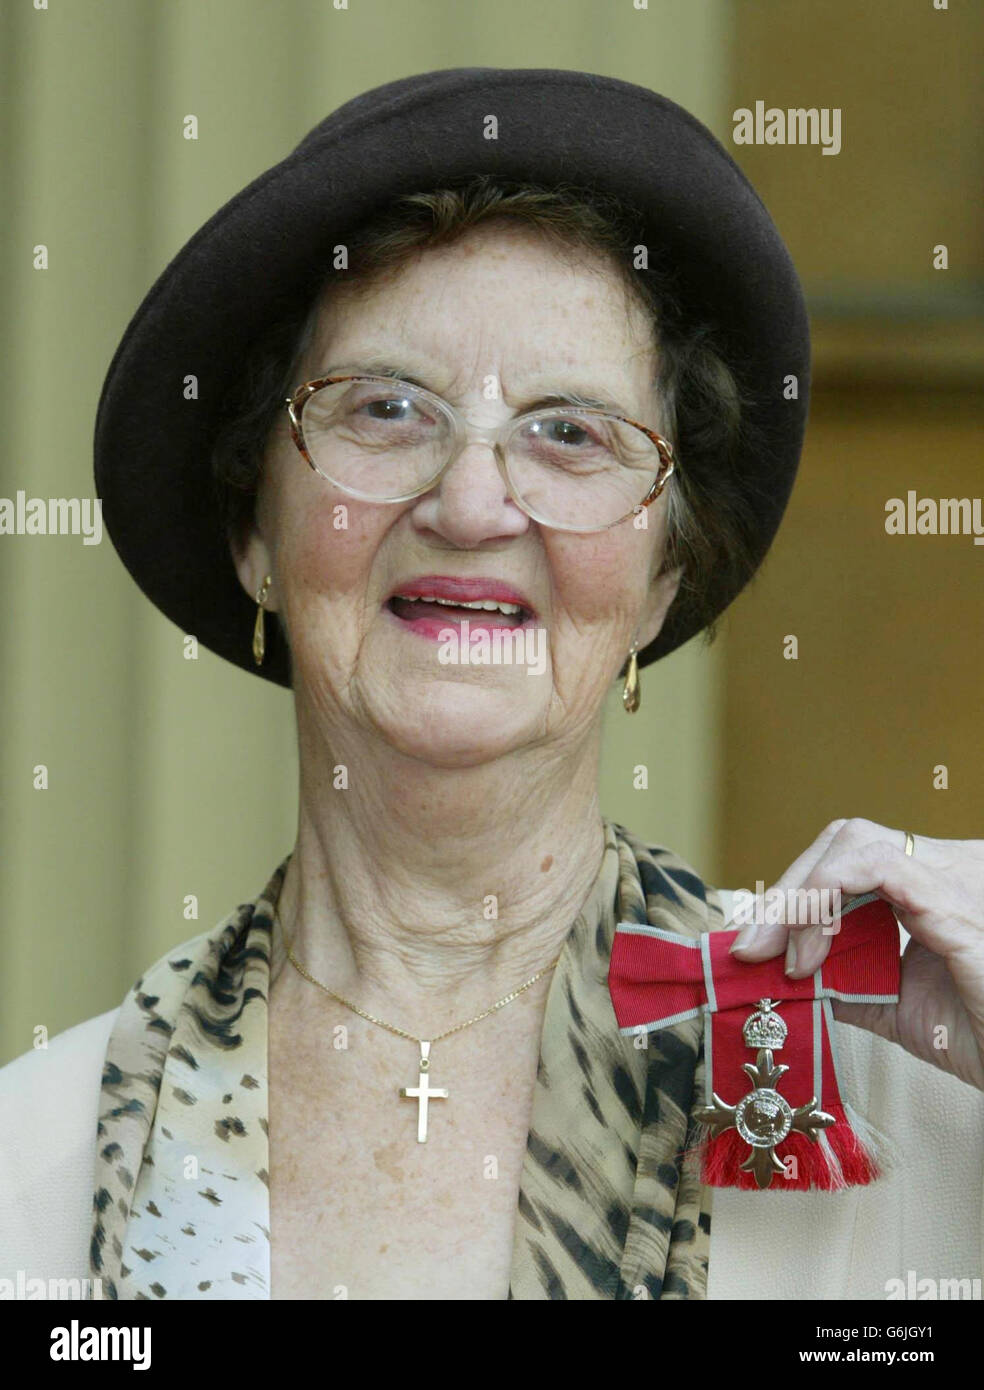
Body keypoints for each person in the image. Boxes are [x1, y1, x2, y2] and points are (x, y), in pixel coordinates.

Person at [1, 67, 982, 1302]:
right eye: (386, 408)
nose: (471, 503)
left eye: (570, 431)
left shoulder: (896, 1097)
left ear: (665, 572)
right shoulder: (30, 1159)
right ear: (255, 531)